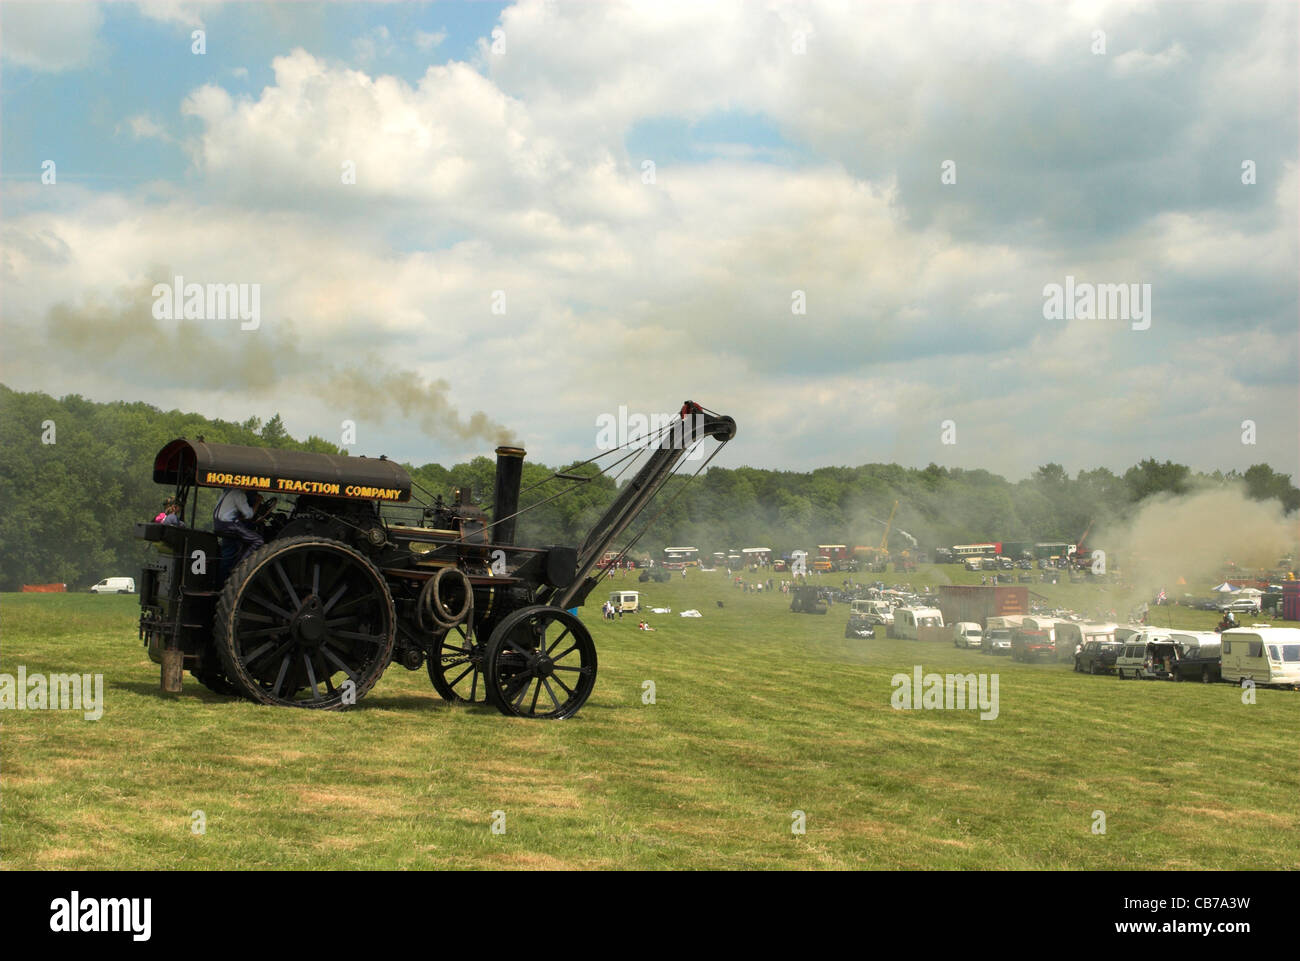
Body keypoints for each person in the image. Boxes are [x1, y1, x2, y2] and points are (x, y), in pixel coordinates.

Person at [214, 487, 265, 572]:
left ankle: (231, 566)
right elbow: (249, 515)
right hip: (229, 525)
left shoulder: (228, 491)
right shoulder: (239, 494)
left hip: (219, 524)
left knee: (228, 553)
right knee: (258, 540)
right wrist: (258, 502)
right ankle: (239, 568)